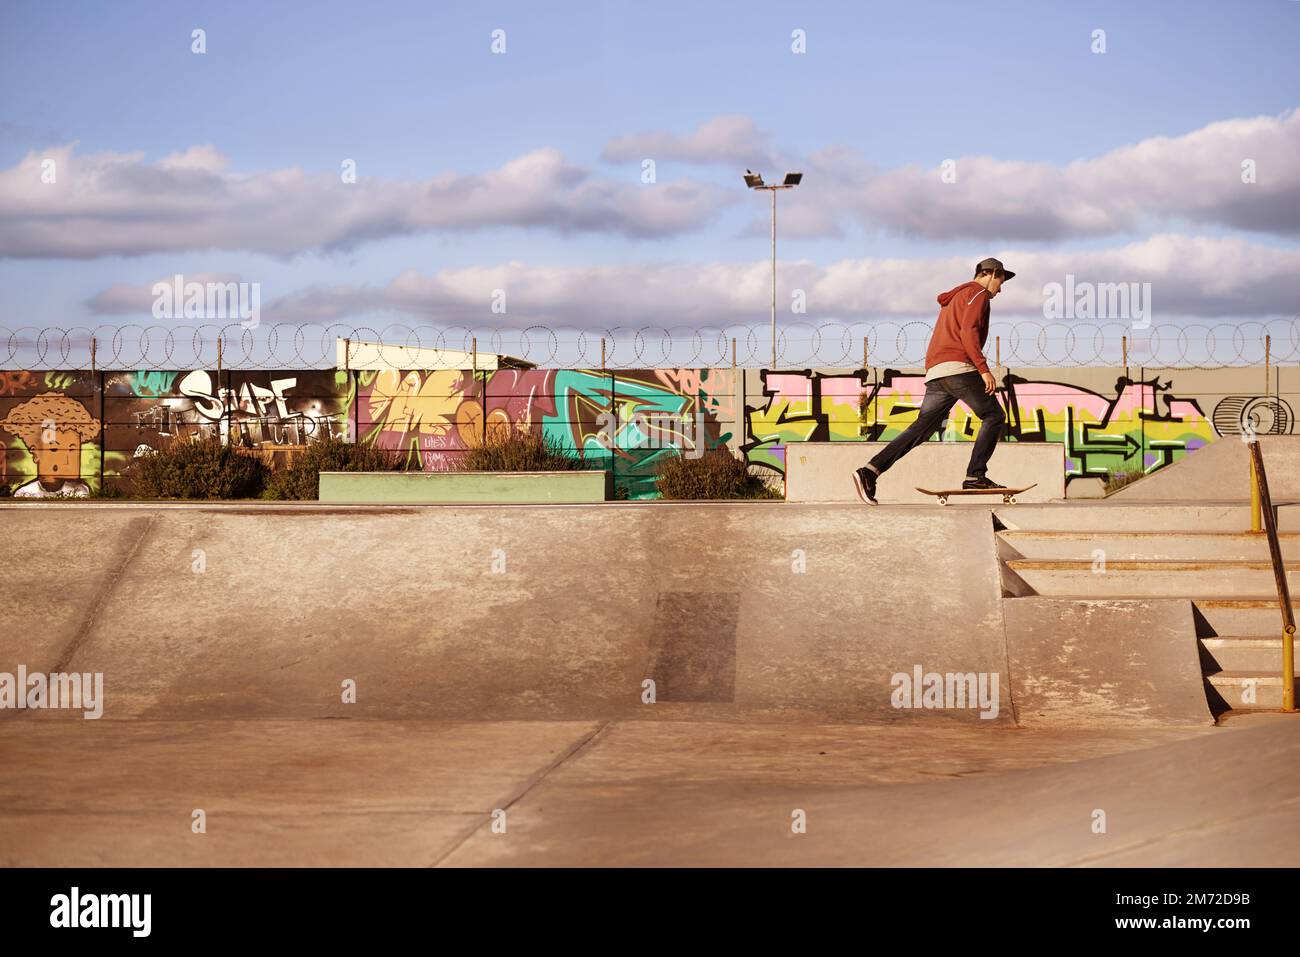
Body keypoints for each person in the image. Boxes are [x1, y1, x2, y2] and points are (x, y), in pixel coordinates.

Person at [853, 258, 1013, 505]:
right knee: (994, 416)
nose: (1000, 289)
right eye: (1001, 281)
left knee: (922, 429)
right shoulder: (977, 294)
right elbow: (968, 332)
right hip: (959, 367)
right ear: (992, 274)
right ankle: (975, 476)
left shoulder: (955, 298)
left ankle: (870, 471)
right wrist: (983, 369)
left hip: (937, 371)